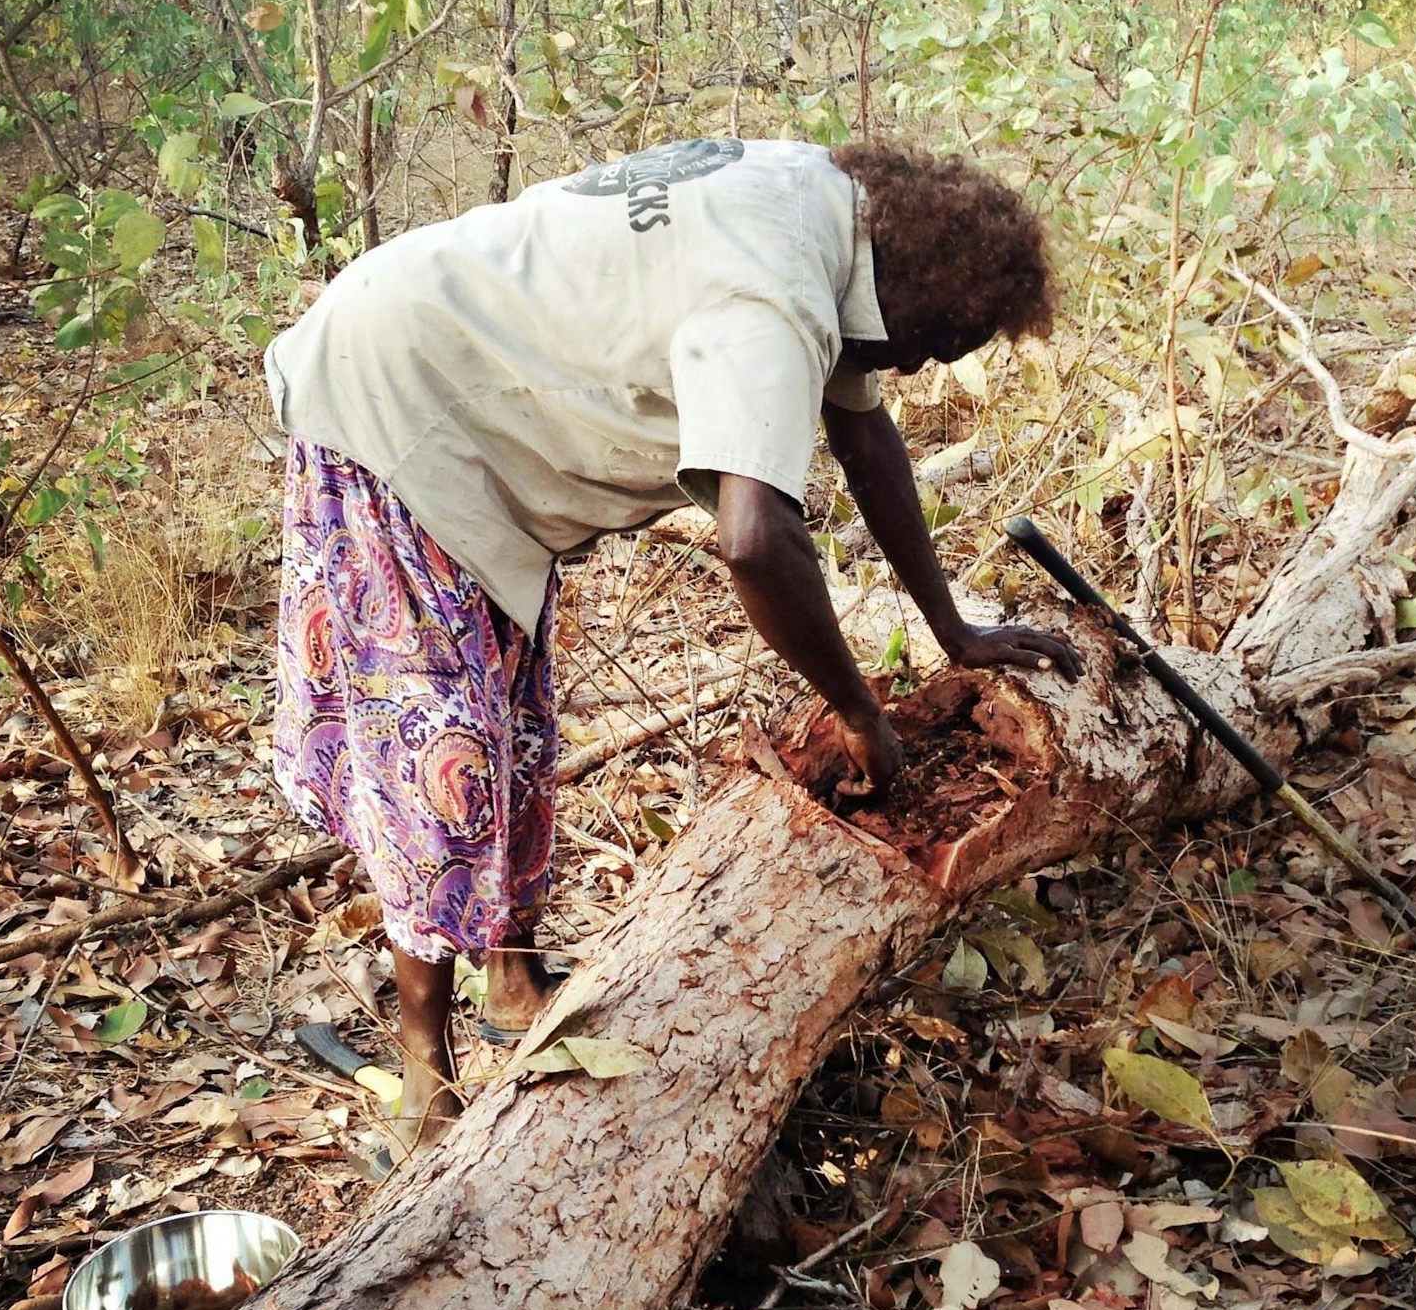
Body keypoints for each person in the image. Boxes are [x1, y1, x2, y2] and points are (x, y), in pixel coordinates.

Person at [264, 137, 1080, 1170]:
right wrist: (862, 716)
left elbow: (867, 442)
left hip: (445, 372)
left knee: (510, 718)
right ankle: (424, 1083)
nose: (916, 370)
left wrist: (950, 625)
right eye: (927, 350)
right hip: (391, 394)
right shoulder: (774, 304)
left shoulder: (821, 213)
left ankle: (511, 985)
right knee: (439, 758)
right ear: (906, 302)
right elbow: (754, 539)